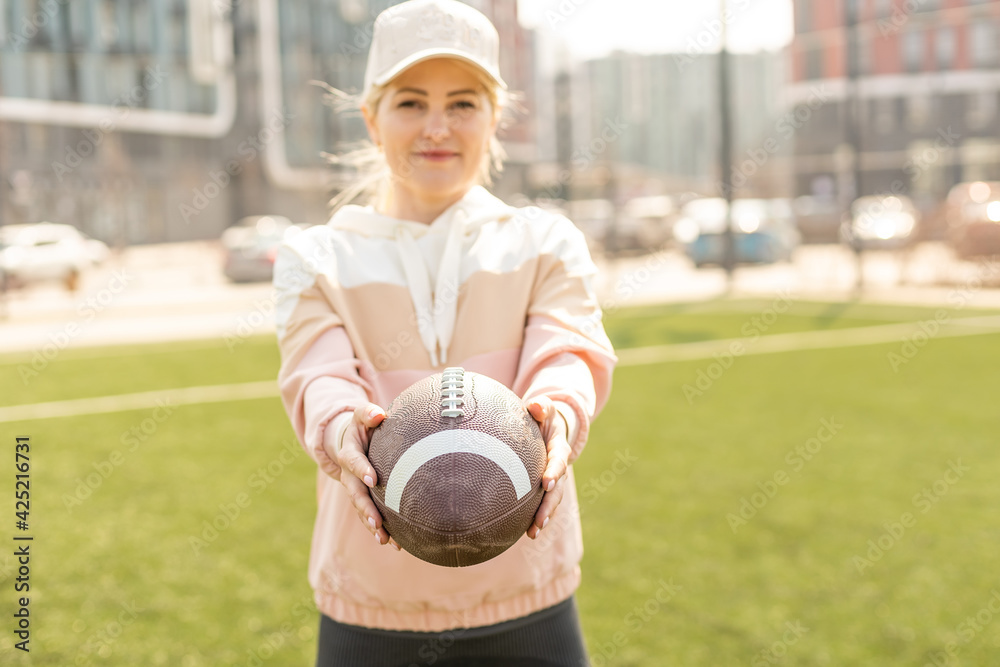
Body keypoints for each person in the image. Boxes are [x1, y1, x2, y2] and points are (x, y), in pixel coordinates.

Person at [273, 1, 616, 664]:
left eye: (463, 103)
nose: (437, 127)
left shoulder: (545, 242)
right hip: (370, 601)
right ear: (372, 118)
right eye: (410, 102)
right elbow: (317, 377)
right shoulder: (316, 257)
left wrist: (562, 411)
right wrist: (342, 427)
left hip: (528, 592)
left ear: (495, 117)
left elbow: (567, 350)